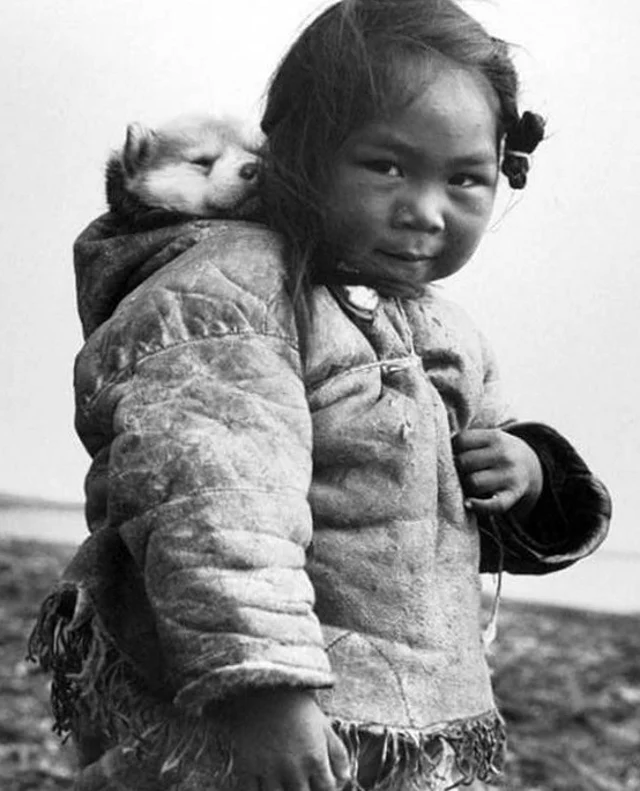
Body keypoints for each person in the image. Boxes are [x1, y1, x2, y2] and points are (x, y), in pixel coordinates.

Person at [29, 1, 611, 789]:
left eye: (467, 177)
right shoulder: (231, 293)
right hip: (242, 707)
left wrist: (529, 472)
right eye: (387, 166)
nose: (426, 211)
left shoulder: (445, 327)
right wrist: (264, 689)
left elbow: (449, 513)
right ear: (296, 153)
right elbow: (212, 498)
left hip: (407, 710)